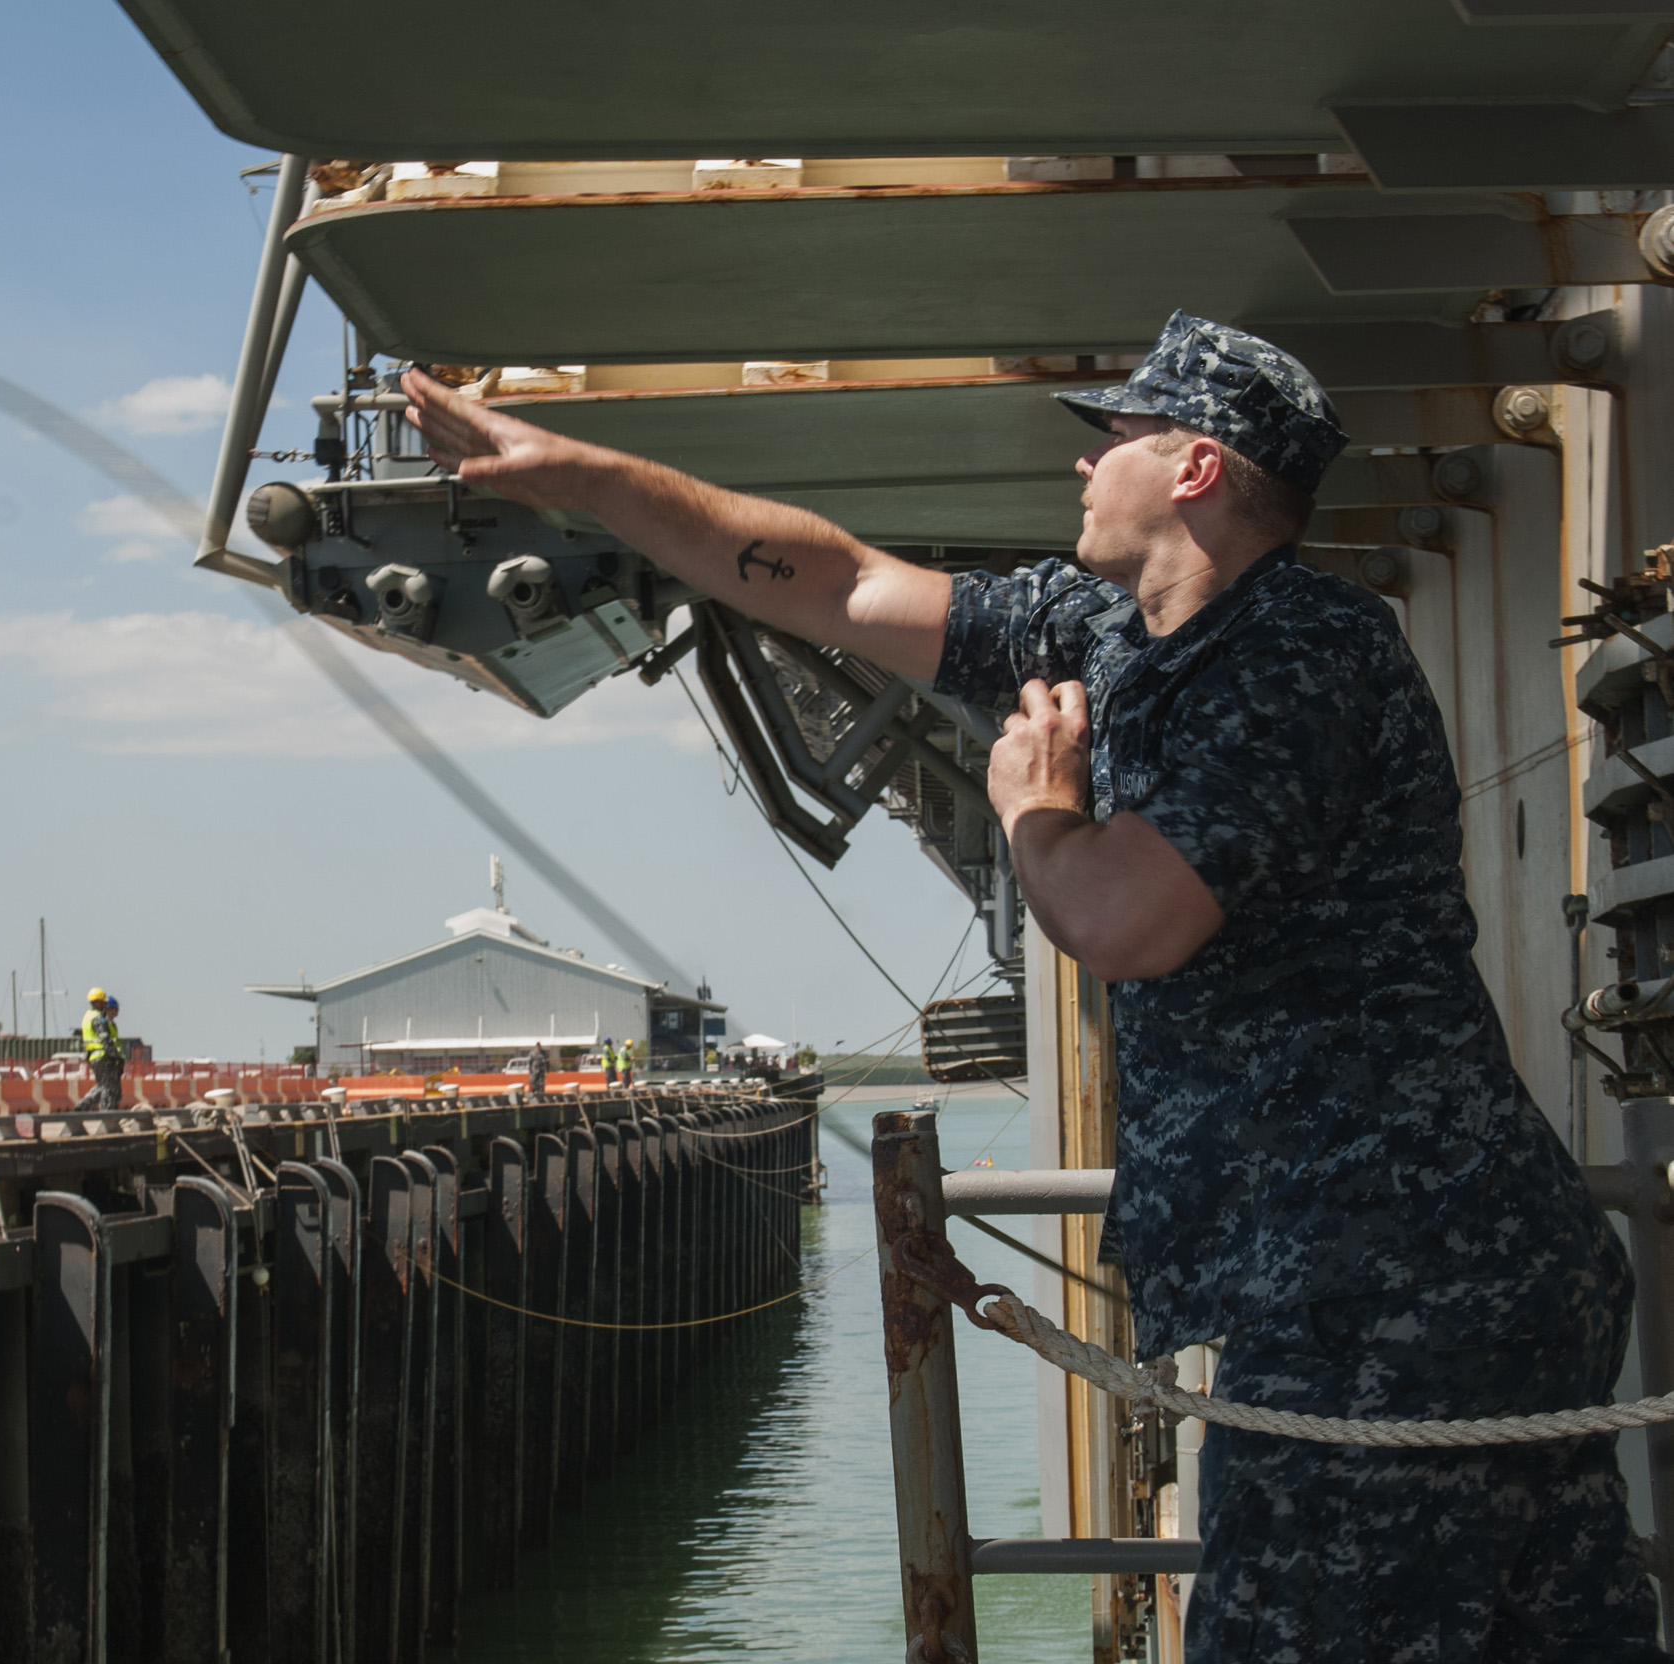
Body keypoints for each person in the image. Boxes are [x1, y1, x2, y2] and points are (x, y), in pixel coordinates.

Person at [401, 317, 1662, 1659]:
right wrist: (584, 476)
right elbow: (831, 582)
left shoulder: (1301, 657)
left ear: (1194, 471)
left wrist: (1033, 810)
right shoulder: (1102, 628)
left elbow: (1126, 919)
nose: (1082, 464)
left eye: (1112, 436)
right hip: (1390, 1284)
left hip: (1398, 1291)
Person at [76, 988, 122, 1116]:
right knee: (108, 1088)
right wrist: (116, 1057)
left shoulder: (87, 1016)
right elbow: (104, 1039)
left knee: (102, 1086)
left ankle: (83, 1107)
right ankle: (106, 1115)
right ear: (97, 1002)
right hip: (103, 1056)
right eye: (103, 1002)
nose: (105, 1005)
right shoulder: (98, 1018)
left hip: (93, 1056)